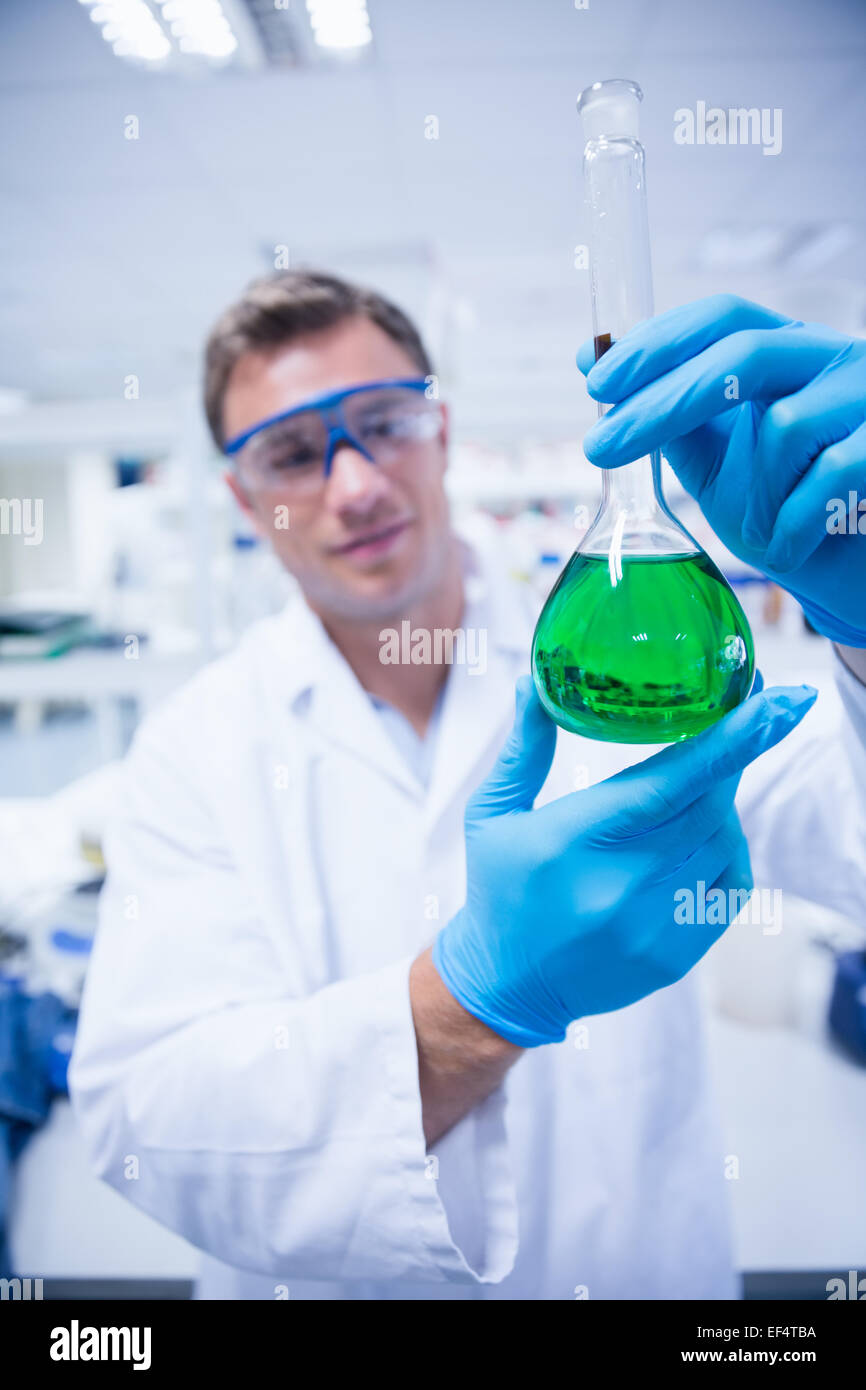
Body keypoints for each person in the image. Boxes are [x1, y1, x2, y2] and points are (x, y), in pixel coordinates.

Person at [69, 275, 866, 1300]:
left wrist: (861, 631)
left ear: (439, 429)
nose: (352, 485)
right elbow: (150, 1118)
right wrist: (469, 1002)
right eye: (289, 452)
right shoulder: (192, 749)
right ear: (240, 495)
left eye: (382, 424)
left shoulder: (628, 657)